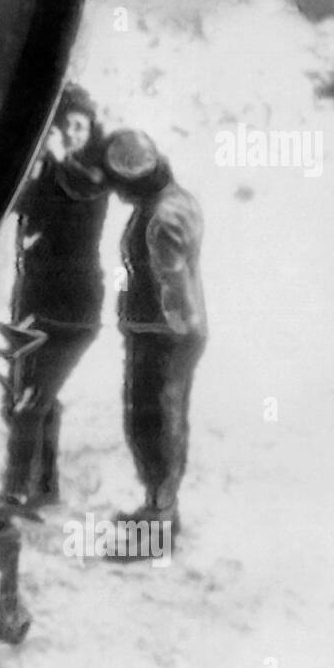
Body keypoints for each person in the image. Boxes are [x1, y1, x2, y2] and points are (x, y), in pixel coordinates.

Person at [0, 84, 110, 511]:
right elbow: (19, 203)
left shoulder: (93, 176)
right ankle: (44, 488)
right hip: (38, 300)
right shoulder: (52, 172)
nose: (73, 133)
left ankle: (16, 491)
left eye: (80, 126)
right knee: (35, 397)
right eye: (65, 125)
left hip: (73, 310)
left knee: (30, 401)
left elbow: (78, 193)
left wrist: (54, 158)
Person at [99, 130, 206, 553]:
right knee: (162, 422)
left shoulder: (162, 218)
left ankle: (157, 527)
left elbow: (173, 282)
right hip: (162, 334)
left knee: (153, 427)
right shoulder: (176, 200)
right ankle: (159, 508)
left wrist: (170, 334)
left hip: (162, 337)